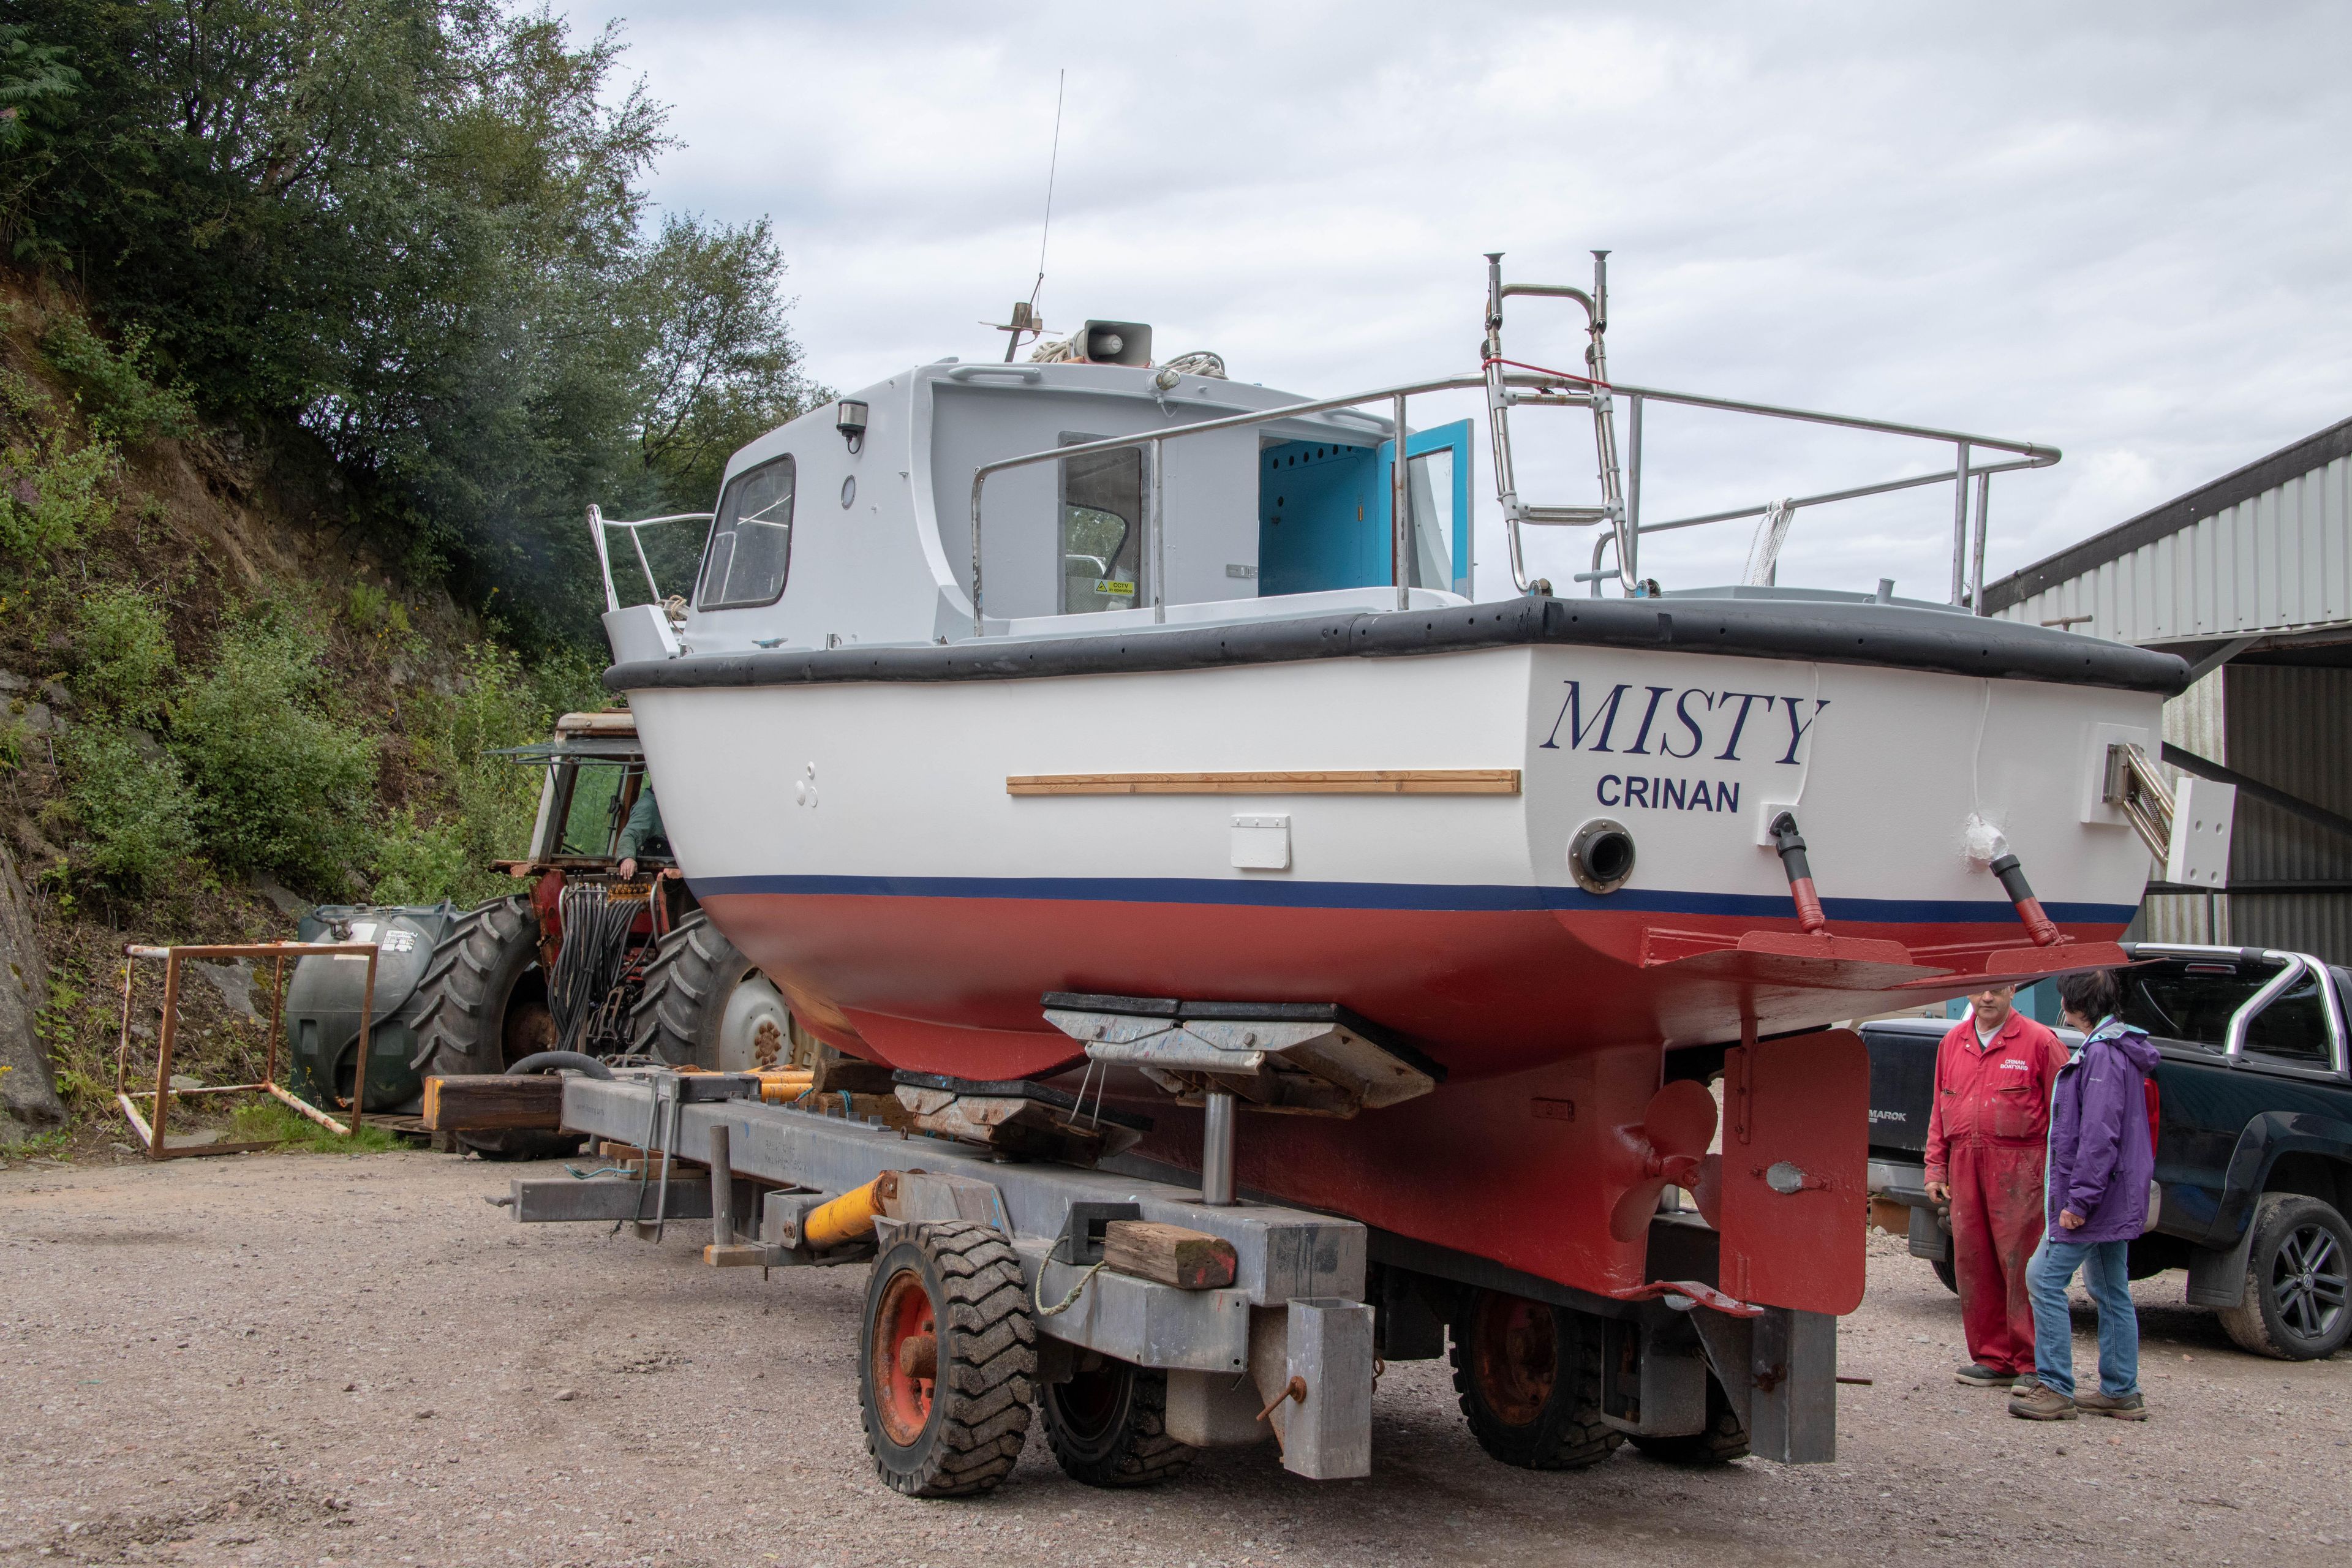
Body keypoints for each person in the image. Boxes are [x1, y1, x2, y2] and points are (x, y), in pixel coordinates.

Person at [2011, 968, 2159, 1422]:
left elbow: (2097, 1135)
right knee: (2110, 1287)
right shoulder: (2119, 1050)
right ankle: (2120, 1389)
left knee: (2043, 1278)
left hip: (2096, 1196)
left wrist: (2079, 1201)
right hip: (2115, 1194)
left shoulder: (2102, 1056)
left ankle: (2055, 1385)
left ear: (2074, 1007)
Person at [1922, 982, 2071, 1387]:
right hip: (1965, 1165)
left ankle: (2033, 1364)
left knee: (2021, 1263)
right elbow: (1940, 1106)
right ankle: (1993, 1357)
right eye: (1978, 990)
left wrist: (2063, 1178)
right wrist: (1936, 1167)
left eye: (1996, 990)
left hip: (2021, 1167)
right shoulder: (1952, 1042)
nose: (1987, 998)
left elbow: (2066, 1114)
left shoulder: (2039, 1041)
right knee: (1973, 1261)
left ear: (2012, 991)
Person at [614, 784, 667, 880]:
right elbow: (629, 834)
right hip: (654, 876)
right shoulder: (647, 807)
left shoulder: (668, 808)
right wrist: (627, 858)